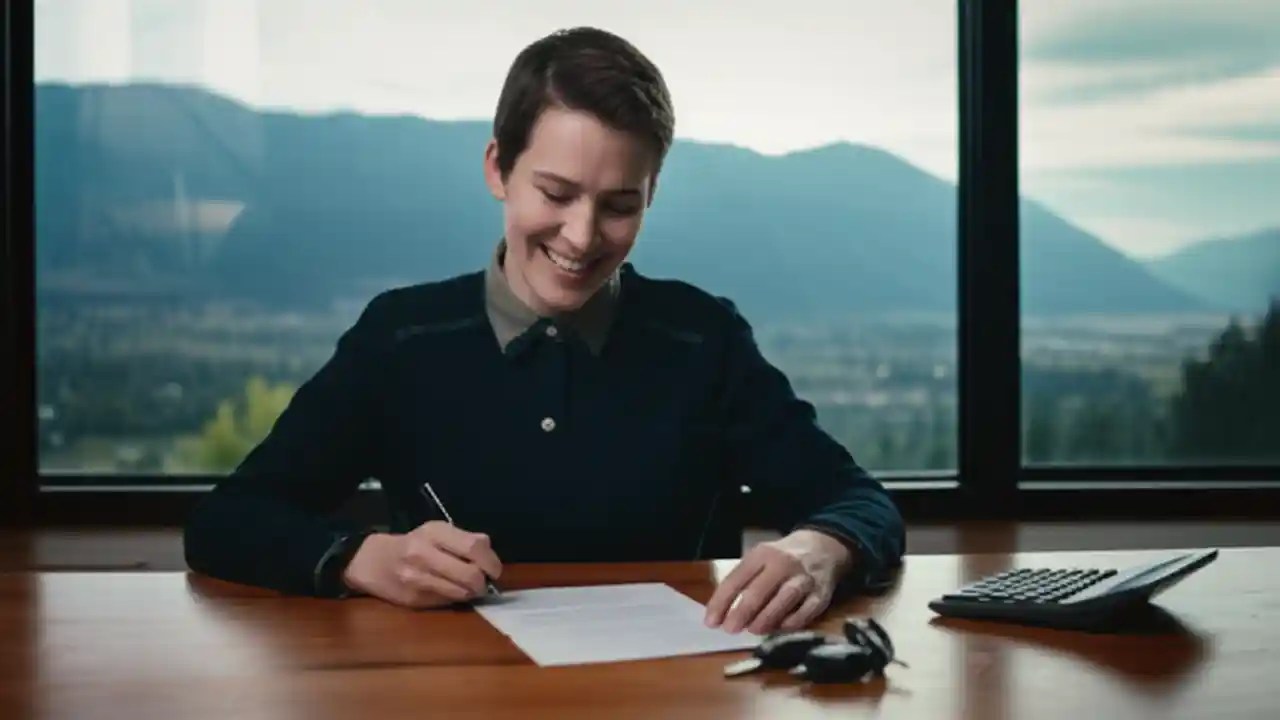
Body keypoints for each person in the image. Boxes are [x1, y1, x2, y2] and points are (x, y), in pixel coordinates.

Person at [183, 26, 904, 637]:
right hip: (454, 697)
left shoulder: (703, 339)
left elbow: (858, 500)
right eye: (556, 194)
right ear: (499, 168)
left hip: (665, 696)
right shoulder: (401, 337)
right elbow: (227, 520)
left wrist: (823, 546)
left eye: (620, 205)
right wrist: (358, 556)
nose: (583, 236)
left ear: (653, 194)